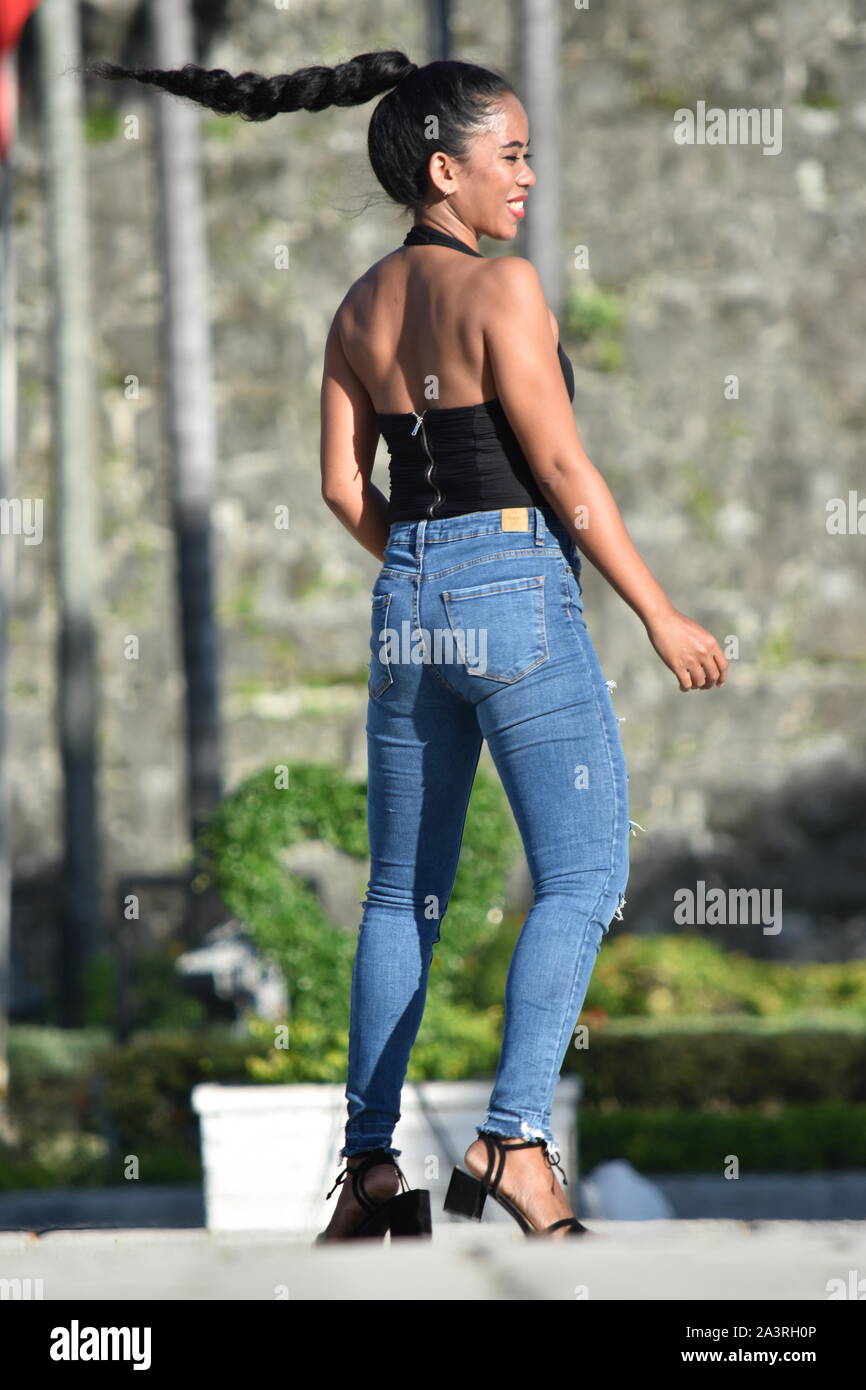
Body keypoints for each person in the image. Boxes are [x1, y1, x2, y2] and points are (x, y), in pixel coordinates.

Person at [90, 50, 727, 1241]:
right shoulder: (506, 293)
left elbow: (340, 486)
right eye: (510, 154)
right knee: (583, 875)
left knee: (397, 896)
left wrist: (425, 576)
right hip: (515, 581)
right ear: (446, 169)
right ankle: (516, 1140)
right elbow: (562, 471)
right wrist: (657, 609)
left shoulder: (356, 308)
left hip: (408, 599)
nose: (526, 176)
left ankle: (370, 1167)